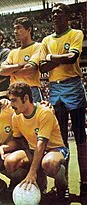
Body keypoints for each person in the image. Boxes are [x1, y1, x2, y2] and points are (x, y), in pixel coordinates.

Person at [39, 3, 87, 197]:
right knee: (59, 139)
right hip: (55, 88)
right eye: (53, 13)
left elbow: (71, 57)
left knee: (79, 136)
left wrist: (51, 57)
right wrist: (57, 58)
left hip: (73, 85)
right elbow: (42, 68)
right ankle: (62, 185)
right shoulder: (46, 40)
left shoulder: (76, 33)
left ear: (67, 15)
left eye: (59, 12)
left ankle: (84, 182)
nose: (55, 15)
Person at [2, 82, 69, 201]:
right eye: (10, 101)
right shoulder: (16, 117)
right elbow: (19, 140)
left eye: (14, 101)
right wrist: (2, 148)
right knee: (10, 162)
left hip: (54, 149)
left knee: (49, 163)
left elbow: (41, 143)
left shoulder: (44, 112)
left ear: (26, 98)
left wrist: (32, 171)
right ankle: (37, 185)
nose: (11, 105)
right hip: (34, 150)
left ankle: (62, 187)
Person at [0, 17, 43, 103]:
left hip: (31, 90)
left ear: (29, 30)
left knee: (34, 116)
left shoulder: (38, 47)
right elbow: (2, 71)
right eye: (14, 28)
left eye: (18, 28)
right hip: (14, 92)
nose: (15, 31)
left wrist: (11, 72)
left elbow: (29, 69)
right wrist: (19, 66)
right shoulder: (13, 52)